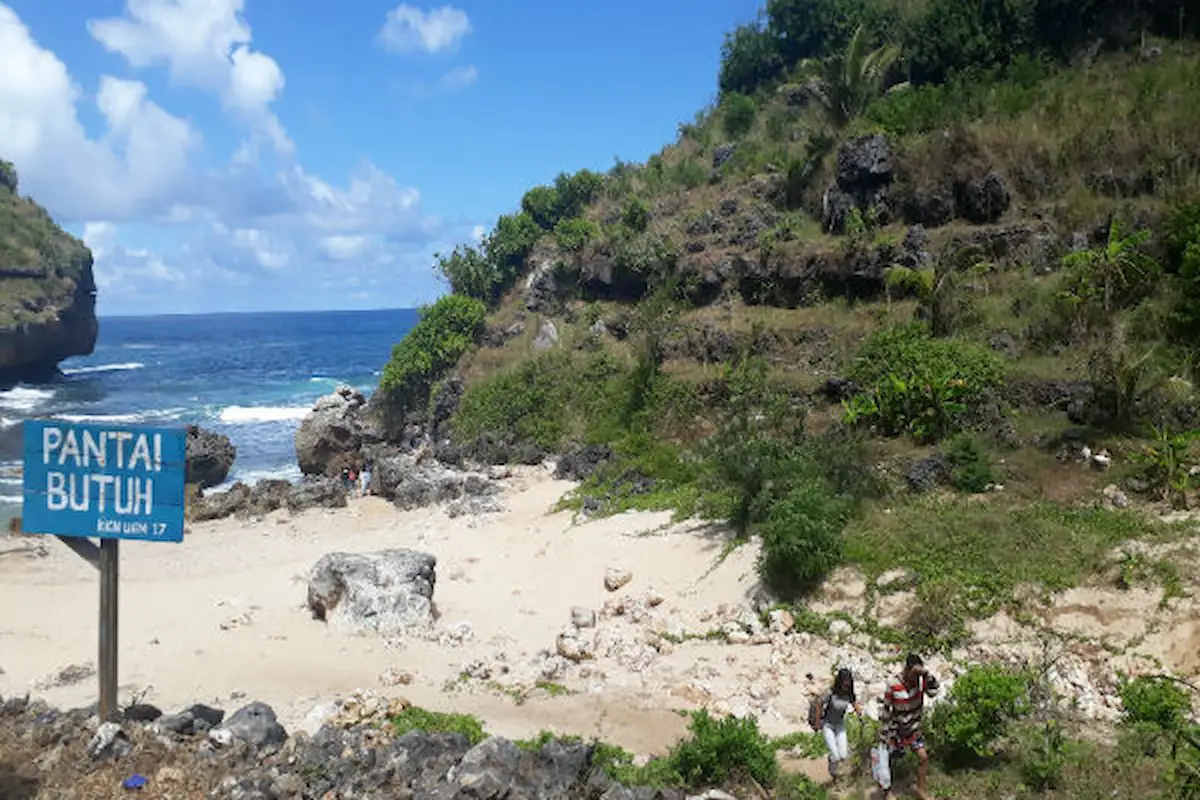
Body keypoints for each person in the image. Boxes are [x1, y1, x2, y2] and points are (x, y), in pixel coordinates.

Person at [874, 653, 940, 800]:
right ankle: (888, 792)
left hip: (914, 728)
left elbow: (934, 691)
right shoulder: (893, 684)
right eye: (914, 674)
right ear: (907, 669)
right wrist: (886, 734)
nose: (916, 678)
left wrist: (927, 674)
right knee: (889, 761)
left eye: (918, 675)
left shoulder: (922, 681)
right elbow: (886, 710)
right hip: (896, 730)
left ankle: (920, 790)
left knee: (923, 757)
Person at [815, 667, 863, 781]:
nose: (846, 686)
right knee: (835, 756)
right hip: (828, 725)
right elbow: (818, 703)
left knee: (843, 755)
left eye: (848, 683)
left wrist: (860, 714)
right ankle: (833, 774)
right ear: (840, 681)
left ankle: (834, 761)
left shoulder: (849, 694)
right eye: (845, 683)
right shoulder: (831, 693)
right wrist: (818, 721)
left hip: (840, 725)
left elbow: (855, 703)